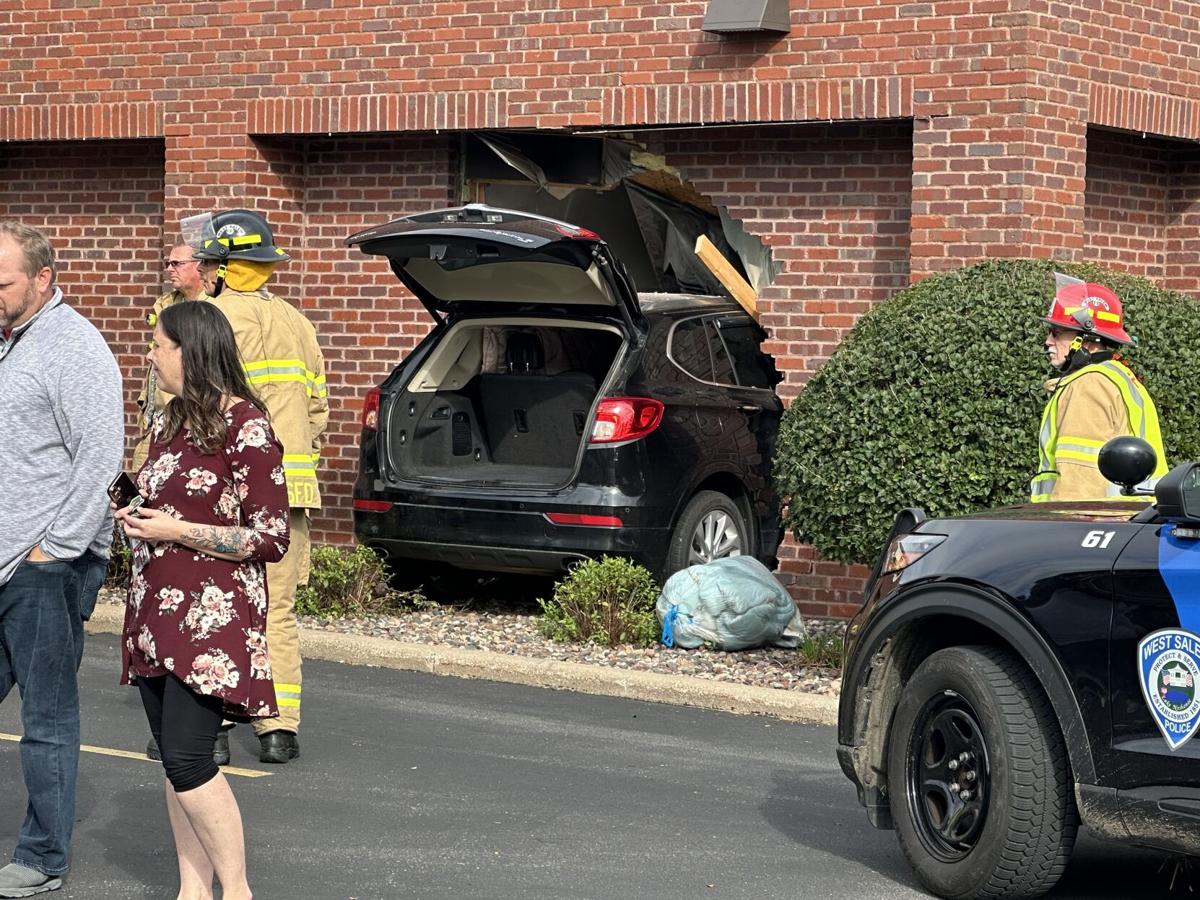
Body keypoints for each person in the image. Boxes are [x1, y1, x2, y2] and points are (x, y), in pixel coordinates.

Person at [115, 300, 289, 900]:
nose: (150, 356)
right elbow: (168, 503)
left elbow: (270, 537)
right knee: (174, 759)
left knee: (190, 759)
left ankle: (237, 892)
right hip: (154, 614)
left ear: (191, 352)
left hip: (209, 621)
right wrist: (138, 515)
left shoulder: (247, 425)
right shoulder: (170, 422)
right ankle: (192, 890)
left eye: (159, 346)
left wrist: (178, 530)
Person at [0, 222, 123, 896]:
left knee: (46, 721)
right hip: (7, 559)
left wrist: (56, 551)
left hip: (45, 568)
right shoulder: (10, 341)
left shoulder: (74, 346)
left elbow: (101, 460)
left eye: (3, 282)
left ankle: (43, 856)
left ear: (43, 278)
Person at [190, 209, 328, 764]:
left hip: (221, 493)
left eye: (208, 262)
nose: (202, 270)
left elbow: (185, 406)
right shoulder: (298, 321)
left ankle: (214, 731)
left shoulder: (204, 320)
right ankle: (278, 730)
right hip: (289, 493)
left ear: (224, 268)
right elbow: (317, 410)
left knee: (217, 606)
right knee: (278, 610)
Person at [1031, 276, 1168, 502]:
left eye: (1056, 332)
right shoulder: (1117, 375)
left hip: (1099, 519)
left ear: (1086, 340)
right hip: (1130, 517)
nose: (1047, 341)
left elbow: (1080, 482)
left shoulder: (1089, 386)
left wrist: (1063, 521)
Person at [132, 244, 209, 470]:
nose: (169, 269)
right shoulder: (167, 304)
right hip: (160, 421)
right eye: (168, 263)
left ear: (200, 265)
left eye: (177, 263)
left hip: (189, 424)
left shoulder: (211, 311)